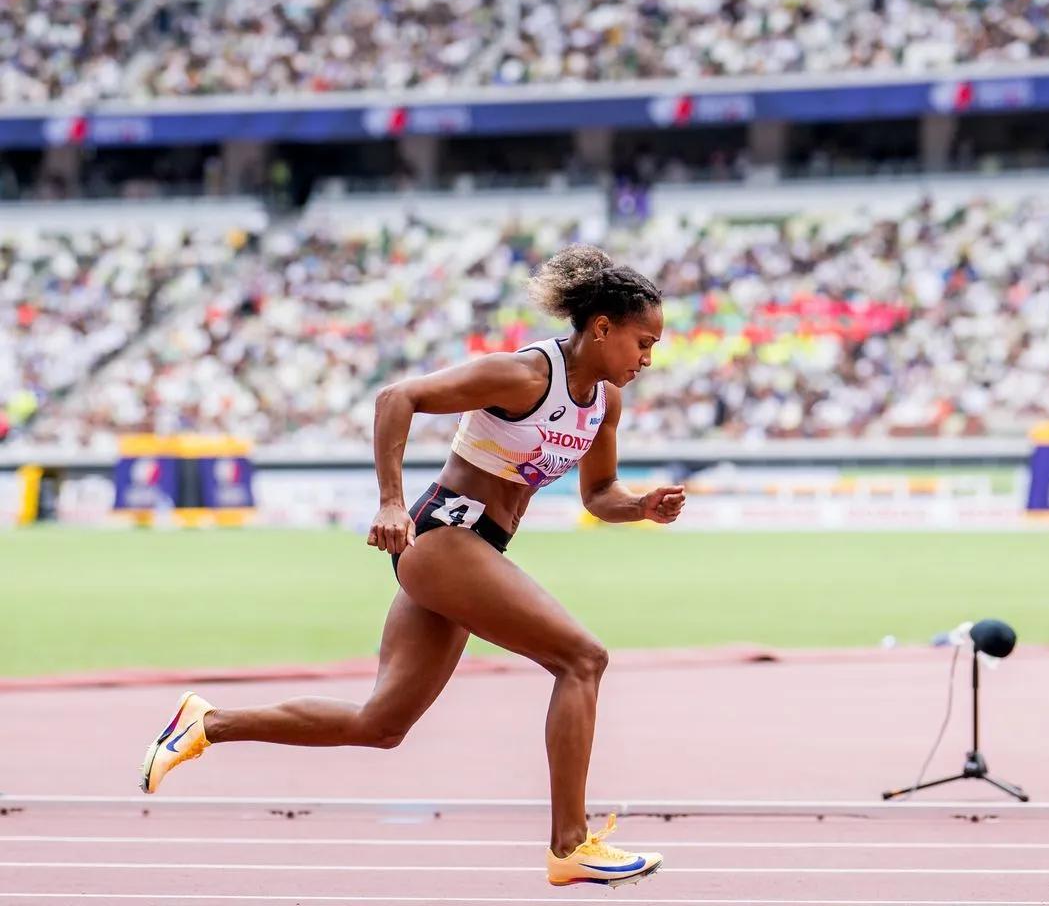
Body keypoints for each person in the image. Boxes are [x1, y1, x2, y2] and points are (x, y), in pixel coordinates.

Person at [136, 244, 688, 887]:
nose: (648, 360)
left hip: (473, 550)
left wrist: (640, 507)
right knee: (582, 659)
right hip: (443, 537)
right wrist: (392, 501)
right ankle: (570, 845)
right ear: (601, 328)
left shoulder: (605, 405)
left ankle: (207, 724)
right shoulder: (526, 376)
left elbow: (598, 496)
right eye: (642, 343)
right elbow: (398, 397)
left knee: (381, 724)